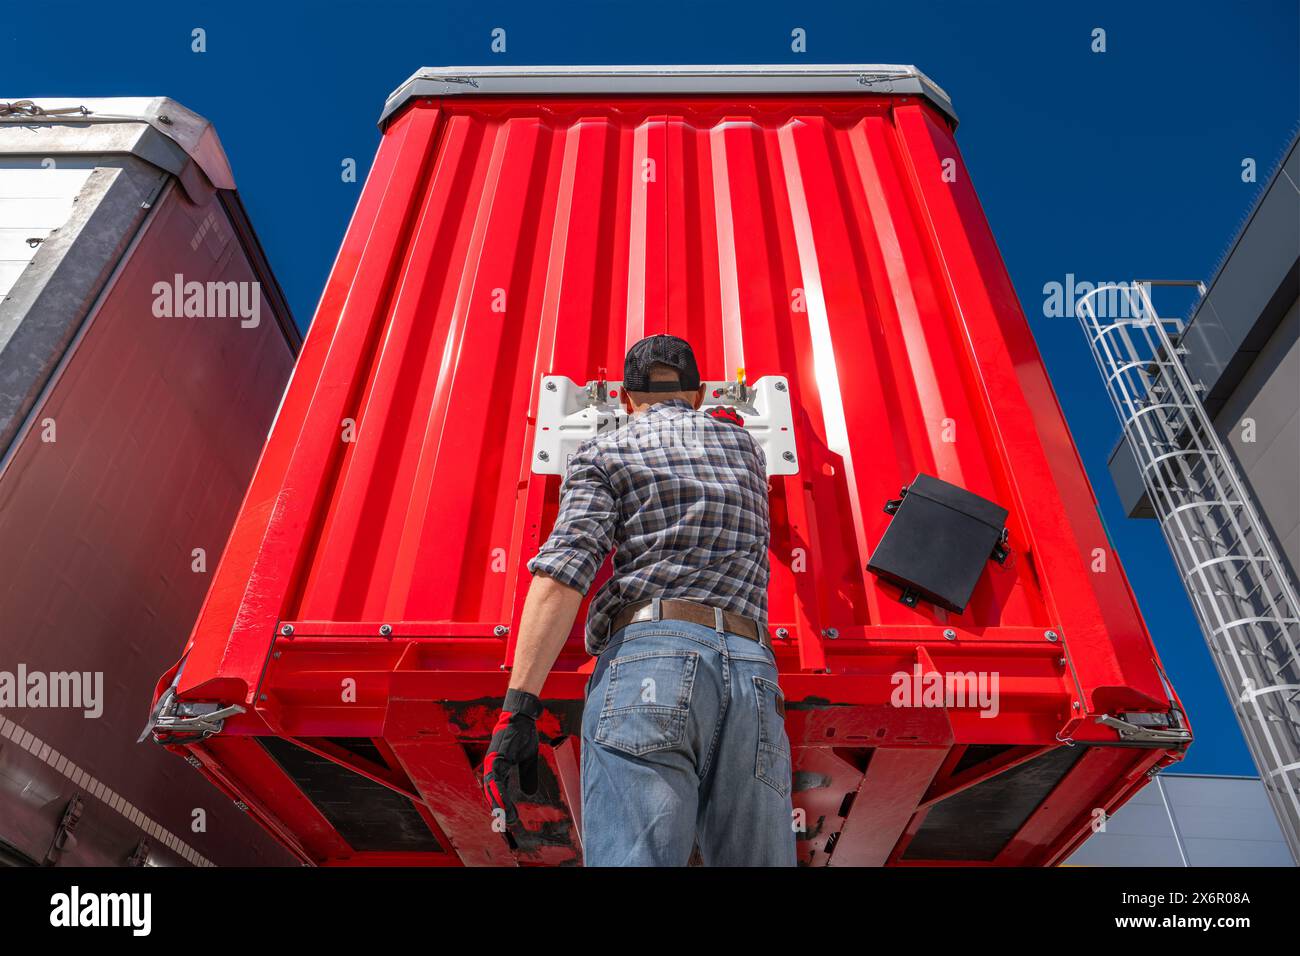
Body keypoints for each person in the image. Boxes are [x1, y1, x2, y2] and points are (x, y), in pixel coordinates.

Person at [480, 333, 795, 866]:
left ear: (626, 399)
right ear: (698, 395)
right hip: (752, 672)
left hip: (650, 661)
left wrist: (518, 709)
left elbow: (563, 573)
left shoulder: (604, 450)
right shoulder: (747, 450)